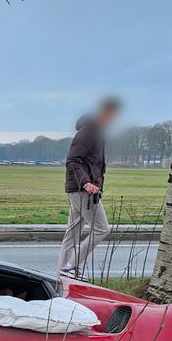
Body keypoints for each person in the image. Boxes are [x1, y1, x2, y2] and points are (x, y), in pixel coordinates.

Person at [58, 98, 119, 279]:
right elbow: (72, 160)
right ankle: (71, 265)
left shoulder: (96, 132)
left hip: (79, 190)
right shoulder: (89, 132)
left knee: (73, 232)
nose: (113, 118)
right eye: (111, 114)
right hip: (83, 190)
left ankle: (59, 278)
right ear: (103, 113)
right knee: (102, 228)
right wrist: (86, 183)